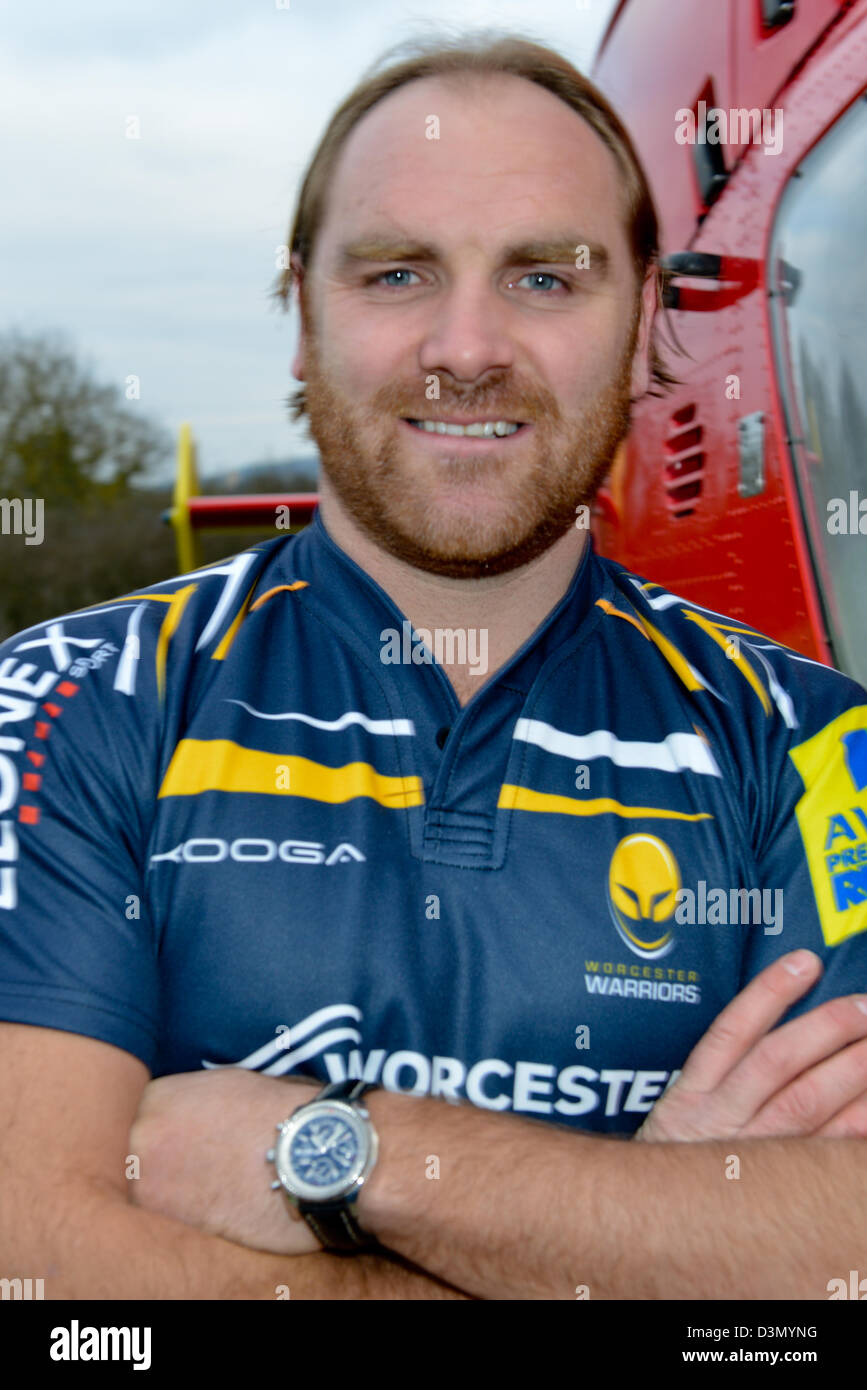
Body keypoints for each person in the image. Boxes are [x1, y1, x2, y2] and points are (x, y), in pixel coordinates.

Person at [1, 32, 866, 1302]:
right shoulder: (71, 704)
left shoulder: (812, 744)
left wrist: (340, 1155)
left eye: (547, 279)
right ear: (302, 317)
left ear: (642, 326)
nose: (466, 348)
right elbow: (45, 1285)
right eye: (398, 273)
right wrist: (652, 1221)